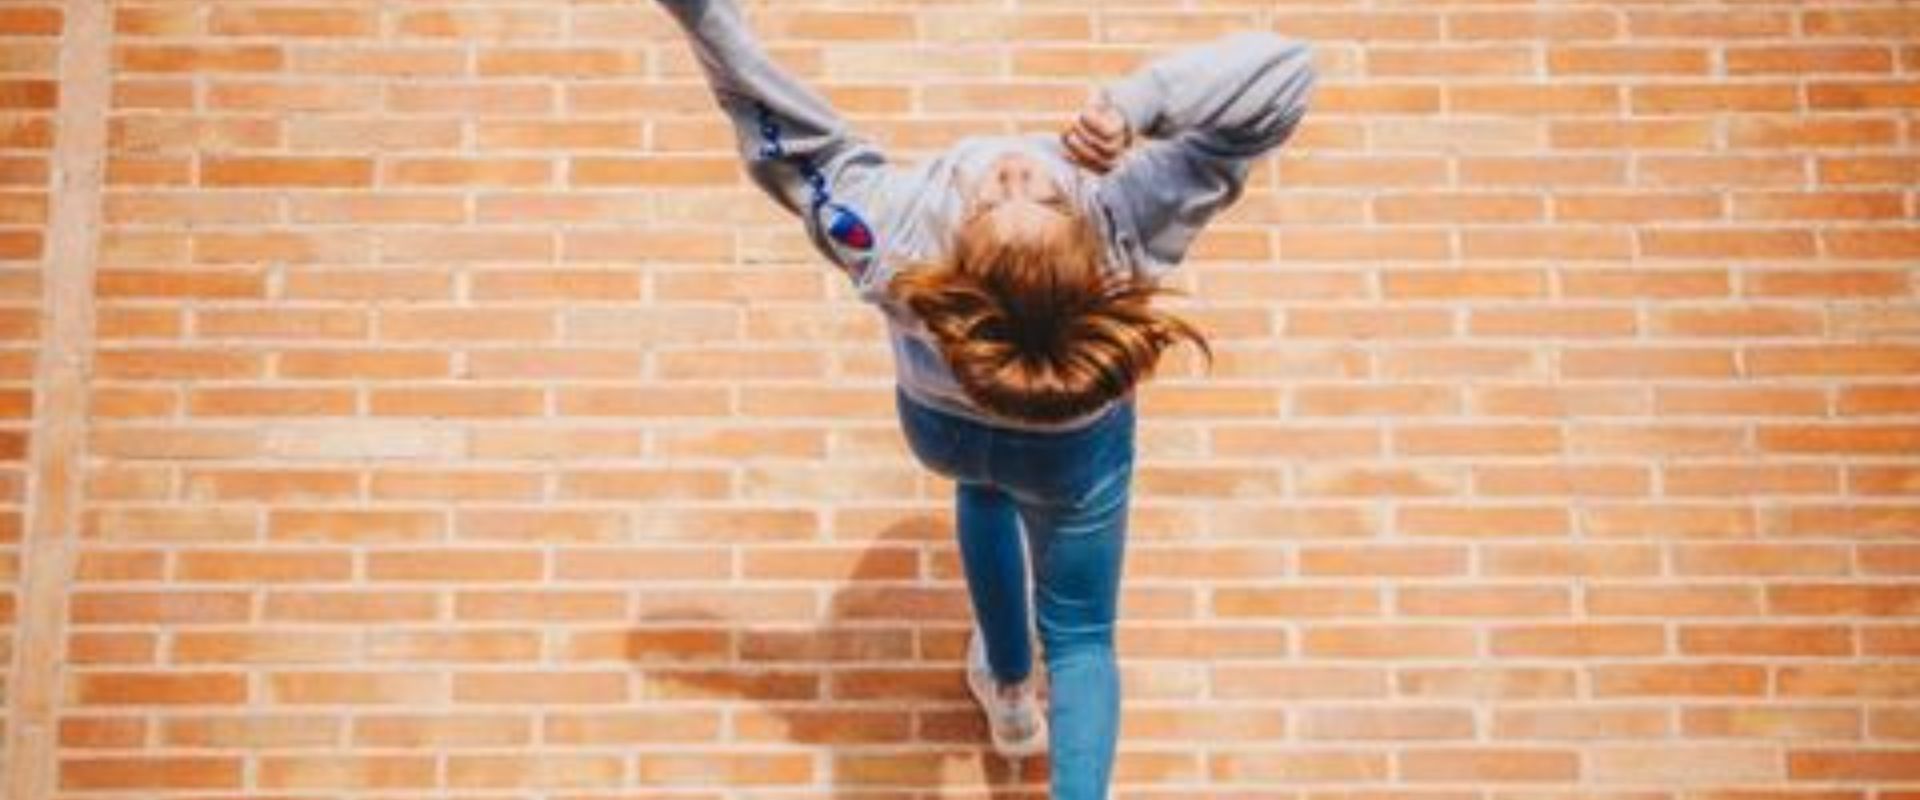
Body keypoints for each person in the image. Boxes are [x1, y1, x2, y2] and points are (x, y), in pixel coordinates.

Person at [657, 1, 1315, 796]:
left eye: (999, 203)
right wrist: (1139, 105)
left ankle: (1008, 693)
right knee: (1078, 639)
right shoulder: (1126, 226)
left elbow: (771, 113)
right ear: (1090, 245)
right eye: (1042, 200)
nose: (1013, 175)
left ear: (953, 264)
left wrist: (697, 13)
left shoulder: (895, 236)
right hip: (1073, 449)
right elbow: (1287, 74)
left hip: (945, 429)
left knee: (986, 493)